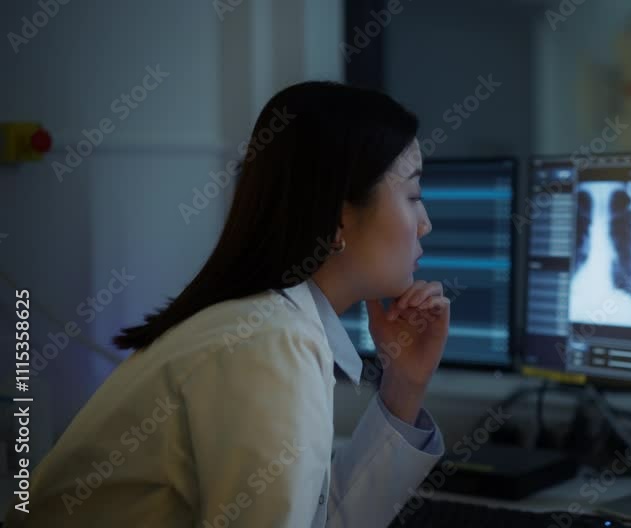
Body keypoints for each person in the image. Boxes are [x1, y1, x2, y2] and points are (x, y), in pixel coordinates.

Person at [5, 81, 449, 527]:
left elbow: (321, 519)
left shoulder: (273, 328)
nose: (425, 224)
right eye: (413, 196)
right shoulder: (269, 343)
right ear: (338, 218)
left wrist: (404, 383)